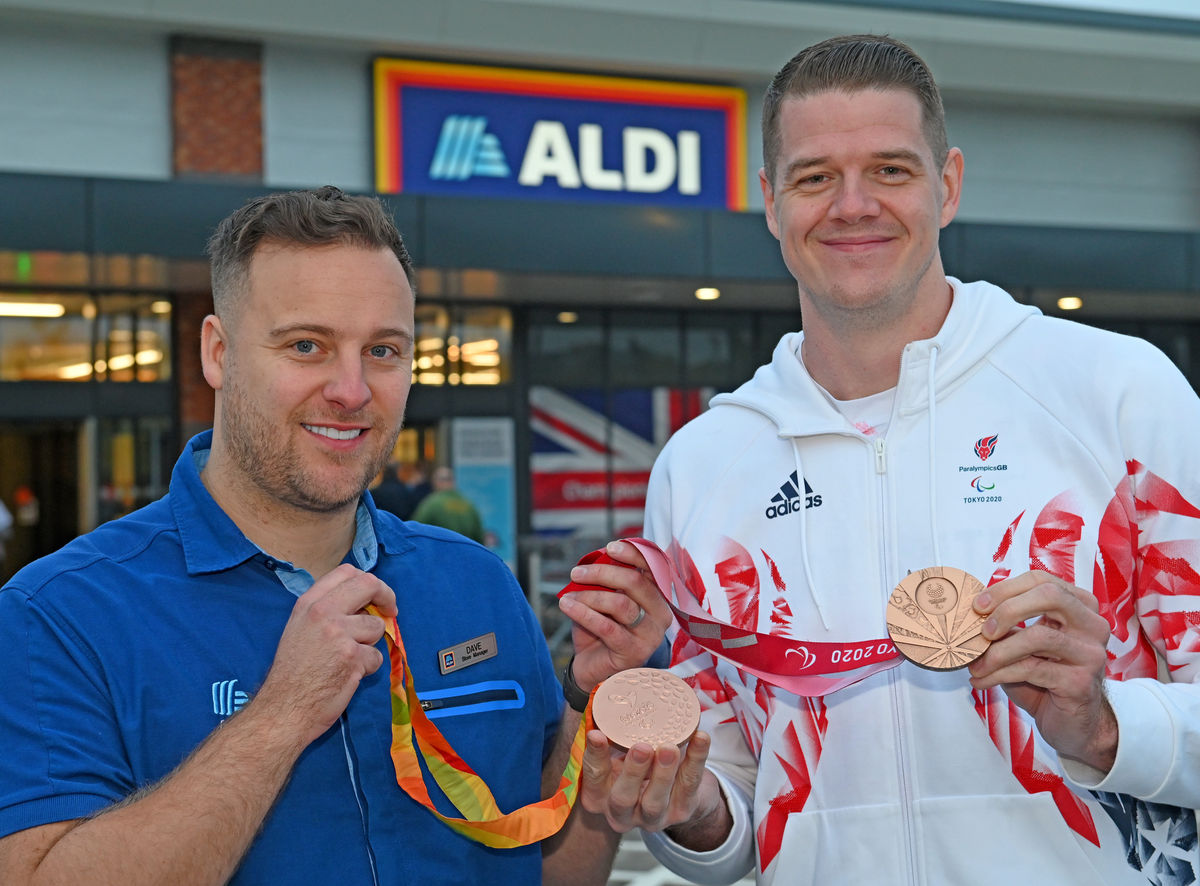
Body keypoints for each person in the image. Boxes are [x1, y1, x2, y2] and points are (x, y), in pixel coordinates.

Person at [572, 34, 1200, 886]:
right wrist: (685, 803)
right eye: (815, 176)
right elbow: (737, 807)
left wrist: (1106, 727)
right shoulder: (703, 463)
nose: (852, 205)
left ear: (947, 186)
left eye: (892, 171)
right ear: (770, 201)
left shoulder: (1117, 394)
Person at [0, 186, 669, 886]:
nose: (351, 390)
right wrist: (281, 715)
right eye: (307, 345)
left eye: (382, 350)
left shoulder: (476, 582)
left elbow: (552, 870)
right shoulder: (58, 616)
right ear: (219, 353)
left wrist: (596, 710)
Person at [411, 465, 485, 543]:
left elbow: (415, 529)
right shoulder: (469, 505)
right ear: (453, 482)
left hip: (440, 552)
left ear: (437, 482)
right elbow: (479, 536)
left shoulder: (431, 504)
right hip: (466, 552)